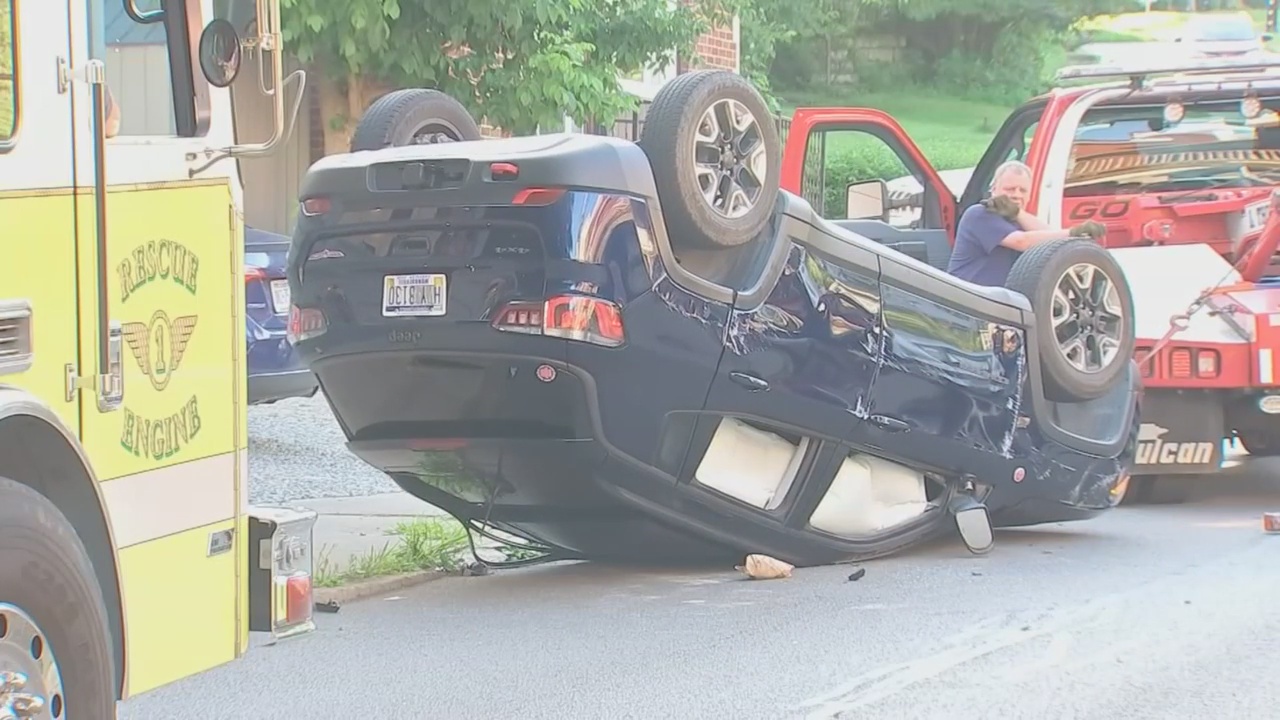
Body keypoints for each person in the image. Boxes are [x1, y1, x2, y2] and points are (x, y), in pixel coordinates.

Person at [946, 160, 1104, 286]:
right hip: (968, 299)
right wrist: (1073, 233)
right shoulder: (979, 213)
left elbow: (1049, 238)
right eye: (1010, 189)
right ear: (994, 190)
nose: (1016, 195)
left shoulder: (1019, 220)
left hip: (1004, 301)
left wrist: (1018, 213)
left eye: (1023, 190)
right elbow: (1022, 242)